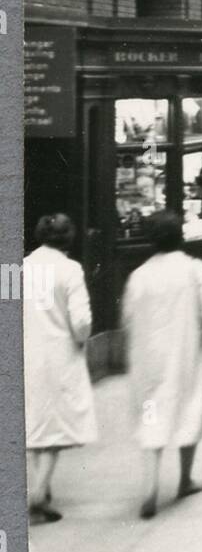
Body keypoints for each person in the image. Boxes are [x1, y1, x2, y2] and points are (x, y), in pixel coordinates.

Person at [123, 209, 202, 519]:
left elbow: (127, 318)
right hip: (185, 353)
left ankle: (150, 486)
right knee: (188, 409)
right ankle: (185, 479)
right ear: (181, 236)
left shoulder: (138, 275)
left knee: (152, 415)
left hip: (147, 358)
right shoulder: (195, 270)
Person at [23, 213, 97, 524]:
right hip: (59, 355)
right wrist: (83, 338)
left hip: (25, 352)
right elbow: (81, 321)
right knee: (55, 426)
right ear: (69, 238)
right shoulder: (70, 270)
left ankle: (43, 491)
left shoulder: (19, 267)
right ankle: (37, 493)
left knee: (33, 421)